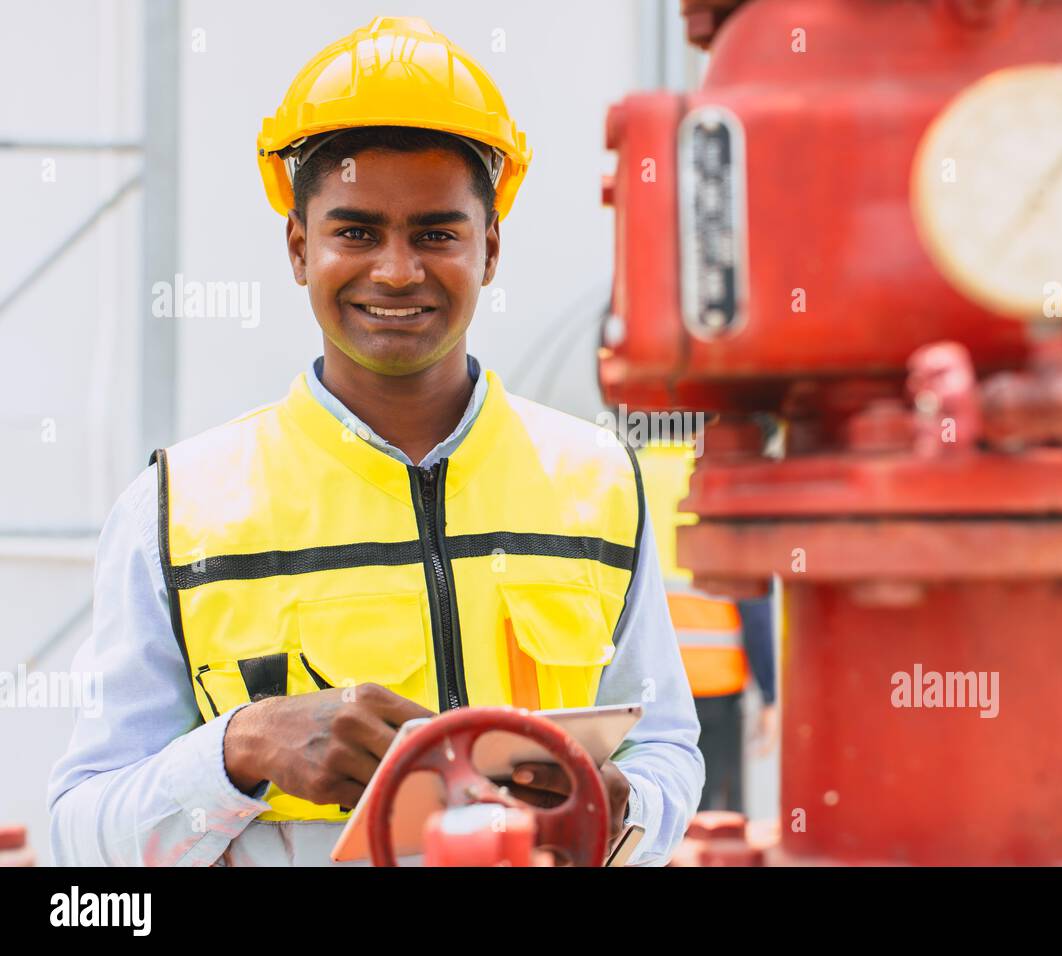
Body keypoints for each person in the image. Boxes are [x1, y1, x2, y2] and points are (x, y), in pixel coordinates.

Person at [46, 16, 703, 866]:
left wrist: (627, 805)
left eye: (437, 233)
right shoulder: (175, 514)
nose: (397, 270)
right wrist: (239, 747)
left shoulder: (598, 484)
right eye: (356, 232)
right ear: (299, 247)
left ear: (489, 249)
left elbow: (669, 753)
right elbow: (79, 835)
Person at [638, 441, 777, 813]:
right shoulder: (720, 481)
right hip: (718, 682)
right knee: (717, 813)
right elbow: (754, 597)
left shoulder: (628, 472)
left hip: (648, 681)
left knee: (657, 806)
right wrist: (769, 692)